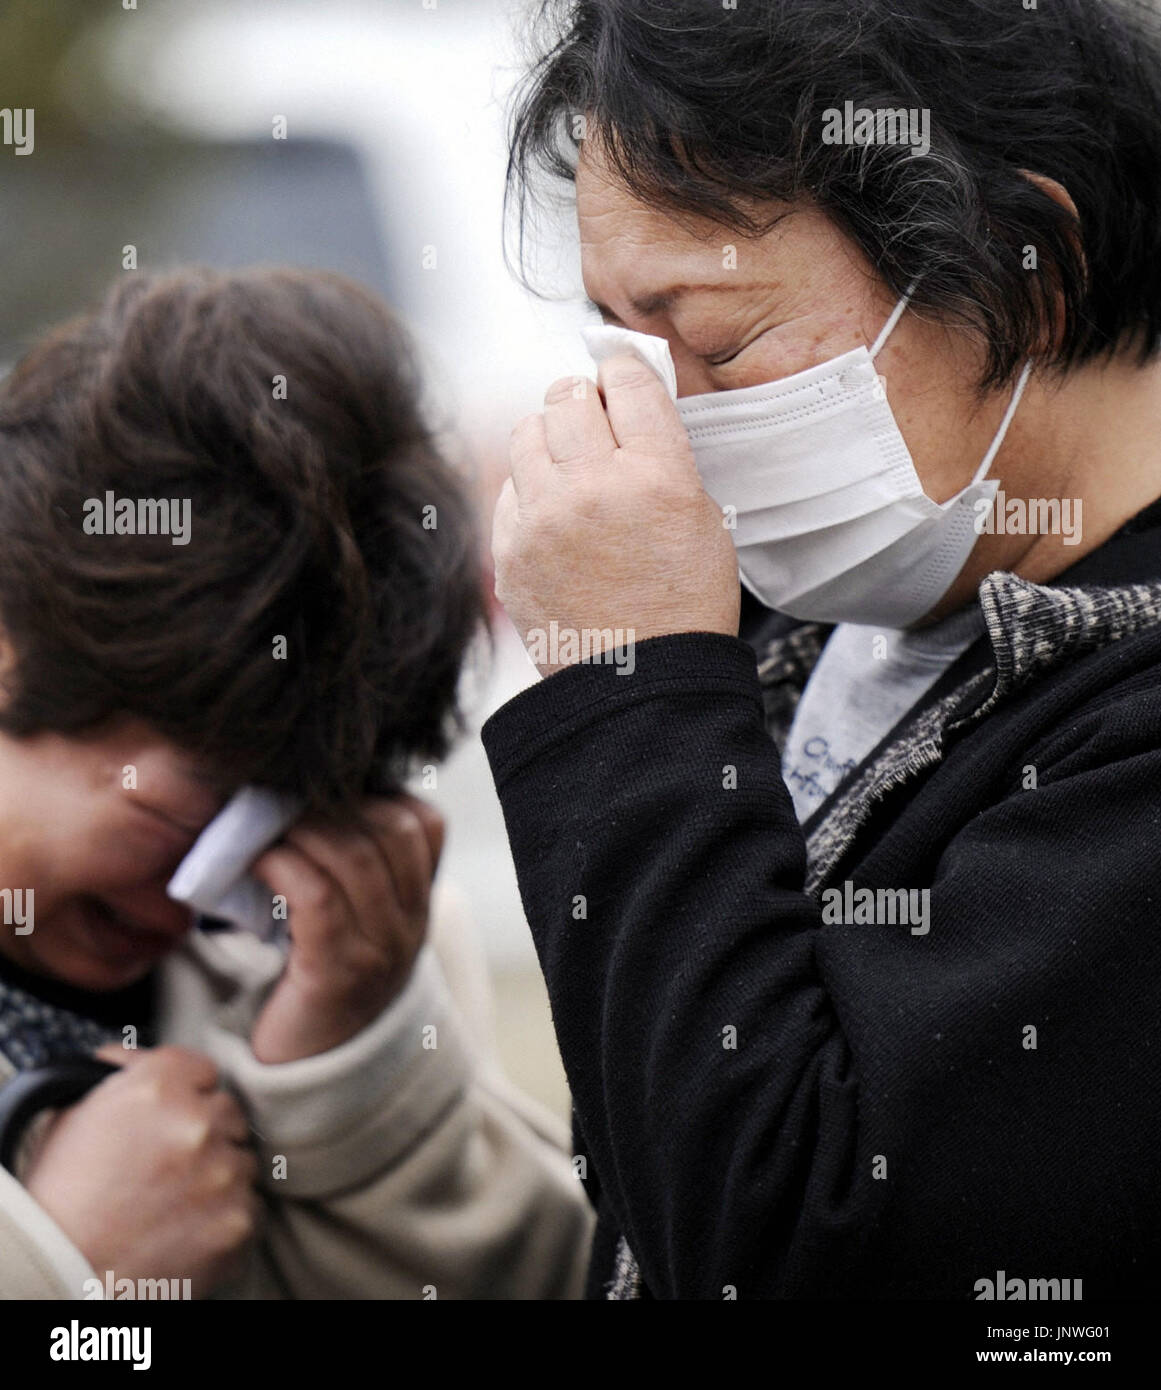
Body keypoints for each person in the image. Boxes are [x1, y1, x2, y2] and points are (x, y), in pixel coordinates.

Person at [484, 0, 1161, 1298]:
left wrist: (628, 687)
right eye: (631, 341)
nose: (665, 422)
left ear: (1031, 268)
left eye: (722, 345)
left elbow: (786, 1246)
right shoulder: (822, 610)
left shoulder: (1124, 722)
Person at [0, 266, 593, 1299]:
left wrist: (352, 1090)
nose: (196, 900)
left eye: (260, 841)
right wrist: (59, 1270)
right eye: (174, 819)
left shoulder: (348, 952)